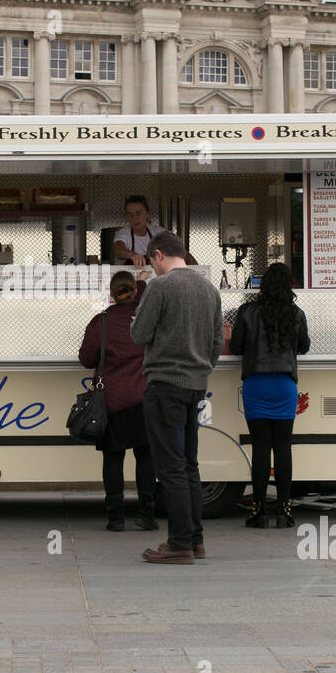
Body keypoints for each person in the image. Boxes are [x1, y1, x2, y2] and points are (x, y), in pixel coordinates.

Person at [130, 231, 224, 565]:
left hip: (165, 384)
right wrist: (200, 370)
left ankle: (180, 544)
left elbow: (139, 334)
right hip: (196, 385)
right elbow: (216, 343)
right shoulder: (209, 290)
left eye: (153, 262)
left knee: (169, 468)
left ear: (157, 256)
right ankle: (195, 539)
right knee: (189, 464)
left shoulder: (159, 287)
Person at [228, 263, 311, 529]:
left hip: (256, 384)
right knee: (283, 448)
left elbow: (238, 346)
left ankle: (259, 511)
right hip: (285, 385)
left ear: (263, 286)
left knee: (261, 448)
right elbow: (304, 347)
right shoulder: (296, 314)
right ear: (288, 285)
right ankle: (285, 512)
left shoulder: (247, 312)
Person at [78, 271, 157, 532]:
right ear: (136, 292)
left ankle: (116, 518)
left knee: (113, 459)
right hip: (145, 399)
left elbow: (87, 358)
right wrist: (142, 279)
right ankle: (147, 514)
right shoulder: (147, 320)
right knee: (145, 458)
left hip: (111, 402)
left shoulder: (102, 322)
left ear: (111, 295)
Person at [112, 196, 198, 267]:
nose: (134, 218)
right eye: (130, 214)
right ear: (126, 216)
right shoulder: (123, 234)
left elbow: (182, 251)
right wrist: (132, 255)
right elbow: (118, 249)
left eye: (138, 213)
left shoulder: (158, 233)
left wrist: (197, 271)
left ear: (147, 214)